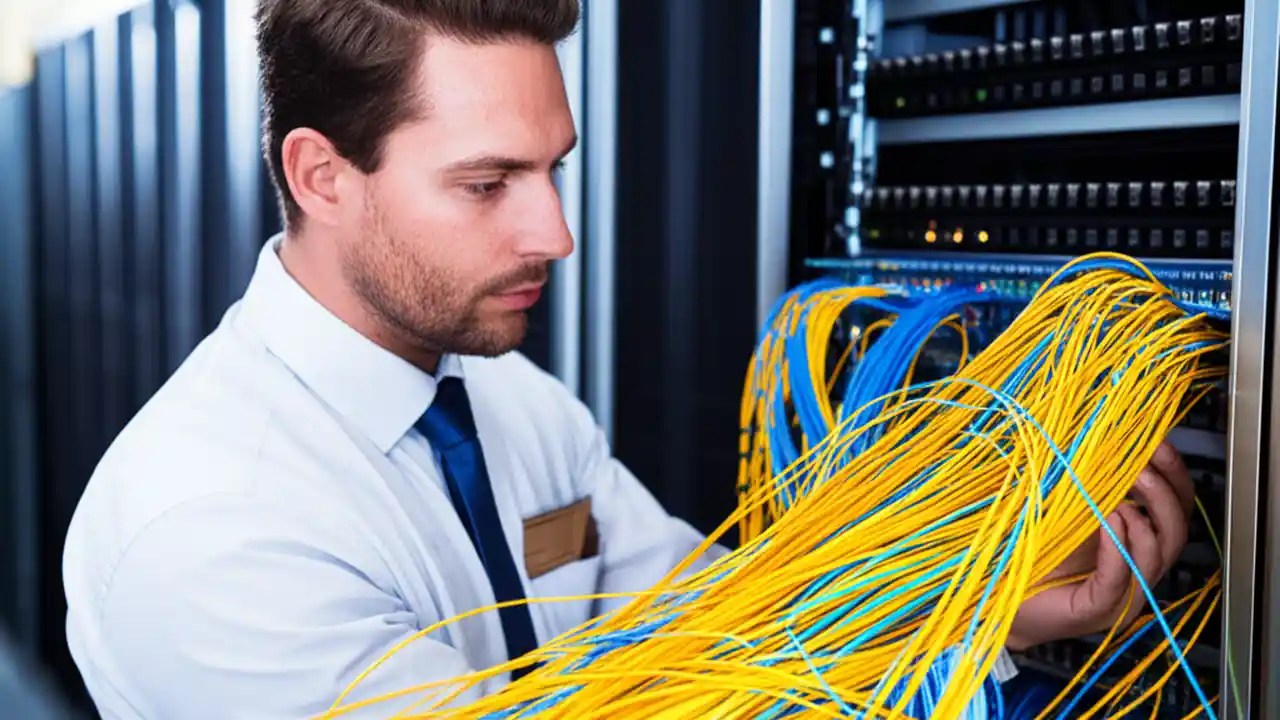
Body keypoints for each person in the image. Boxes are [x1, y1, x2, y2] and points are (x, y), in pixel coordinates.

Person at [62, 1, 1195, 718]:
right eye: (484, 183)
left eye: (552, 169)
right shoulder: (210, 528)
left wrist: (993, 614)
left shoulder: (513, 405)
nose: (552, 233)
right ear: (320, 175)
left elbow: (717, 626)